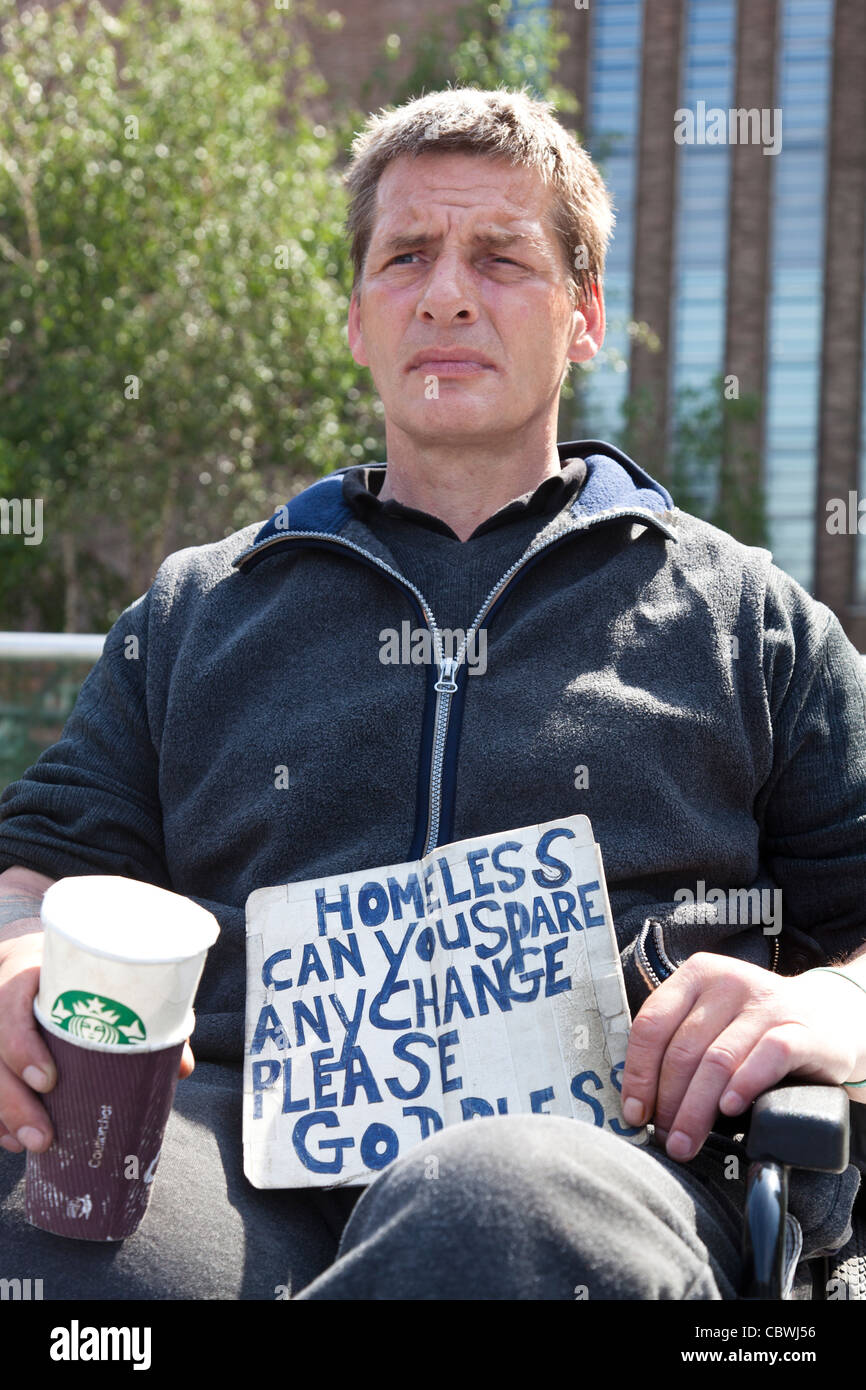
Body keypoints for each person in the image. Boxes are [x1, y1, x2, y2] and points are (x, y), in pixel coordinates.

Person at [0, 86, 864, 1301]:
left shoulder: (746, 621)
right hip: (226, 1151)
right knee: (61, 1232)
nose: (445, 292)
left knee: (483, 1208)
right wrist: (17, 944)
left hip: (602, 1162)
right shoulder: (198, 610)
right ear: (358, 317)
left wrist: (837, 1002)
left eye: (501, 258)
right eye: (405, 255)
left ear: (584, 317)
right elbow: (43, 857)